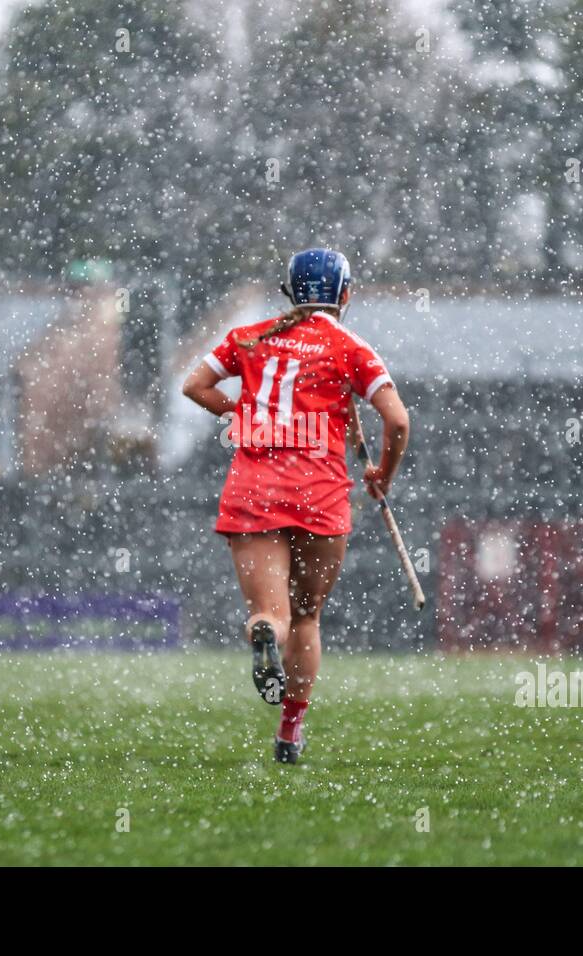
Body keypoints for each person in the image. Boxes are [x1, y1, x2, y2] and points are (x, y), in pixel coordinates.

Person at [181, 248, 411, 764]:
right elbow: (397, 422)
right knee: (308, 616)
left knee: (273, 612)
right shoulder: (351, 346)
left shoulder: (250, 336)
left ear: (290, 293)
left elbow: (194, 385)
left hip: (254, 490)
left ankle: (263, 629)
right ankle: (289, 733)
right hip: (320, 495)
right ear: (345, 295)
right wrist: (382, 476)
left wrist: (242, 410)